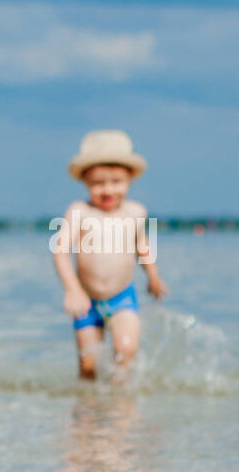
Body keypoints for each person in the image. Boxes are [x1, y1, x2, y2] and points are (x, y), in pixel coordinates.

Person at [52, 130, 169, 379]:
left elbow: (142, 246)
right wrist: (72, 289)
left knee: (125, 351)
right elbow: (60, 252)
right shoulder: (79, 211)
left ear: (130, 180)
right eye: (98, 183)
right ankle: (89, 411)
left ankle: (121, 410)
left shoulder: (135, 212)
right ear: (85, 181)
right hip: (87, 301)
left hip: (122, 298)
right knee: (88, 367)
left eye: (117, 182)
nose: (108, 190)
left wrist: (153, 276)